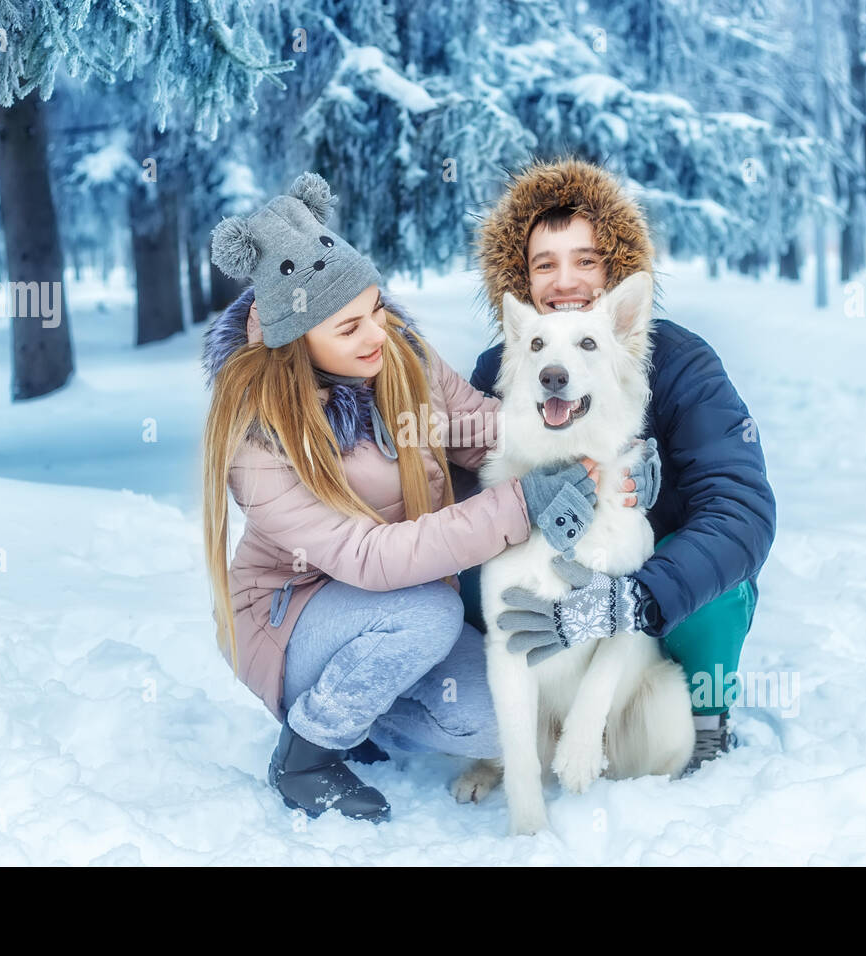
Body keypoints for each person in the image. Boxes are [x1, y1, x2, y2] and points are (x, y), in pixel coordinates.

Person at [199, 172, 657, 823]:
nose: (377, 334)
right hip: (293, 621)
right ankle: (309, 748)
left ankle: (371, 714)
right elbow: (370, 559)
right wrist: (524, 502)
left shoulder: (399, 356)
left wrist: (595, 457)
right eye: (350, 326)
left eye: (378, 307)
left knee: (503, 729)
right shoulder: (259, 436)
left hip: (401, 606)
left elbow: (483, 428)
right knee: (426, 618)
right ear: (297, 342)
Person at [458, 157, 778, 772]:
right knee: (472, 579)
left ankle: (703, 717)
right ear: (522, 281)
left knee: (721, 584)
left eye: (585, 258)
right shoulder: (503, 368)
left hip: (653, 593)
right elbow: (459, 500)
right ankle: (519, 734)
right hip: (547, 577)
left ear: (616, 267)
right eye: (544, 264)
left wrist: (632, 596)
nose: (565, 280)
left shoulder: (682, 361)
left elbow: (742, 509)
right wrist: (527, 497)